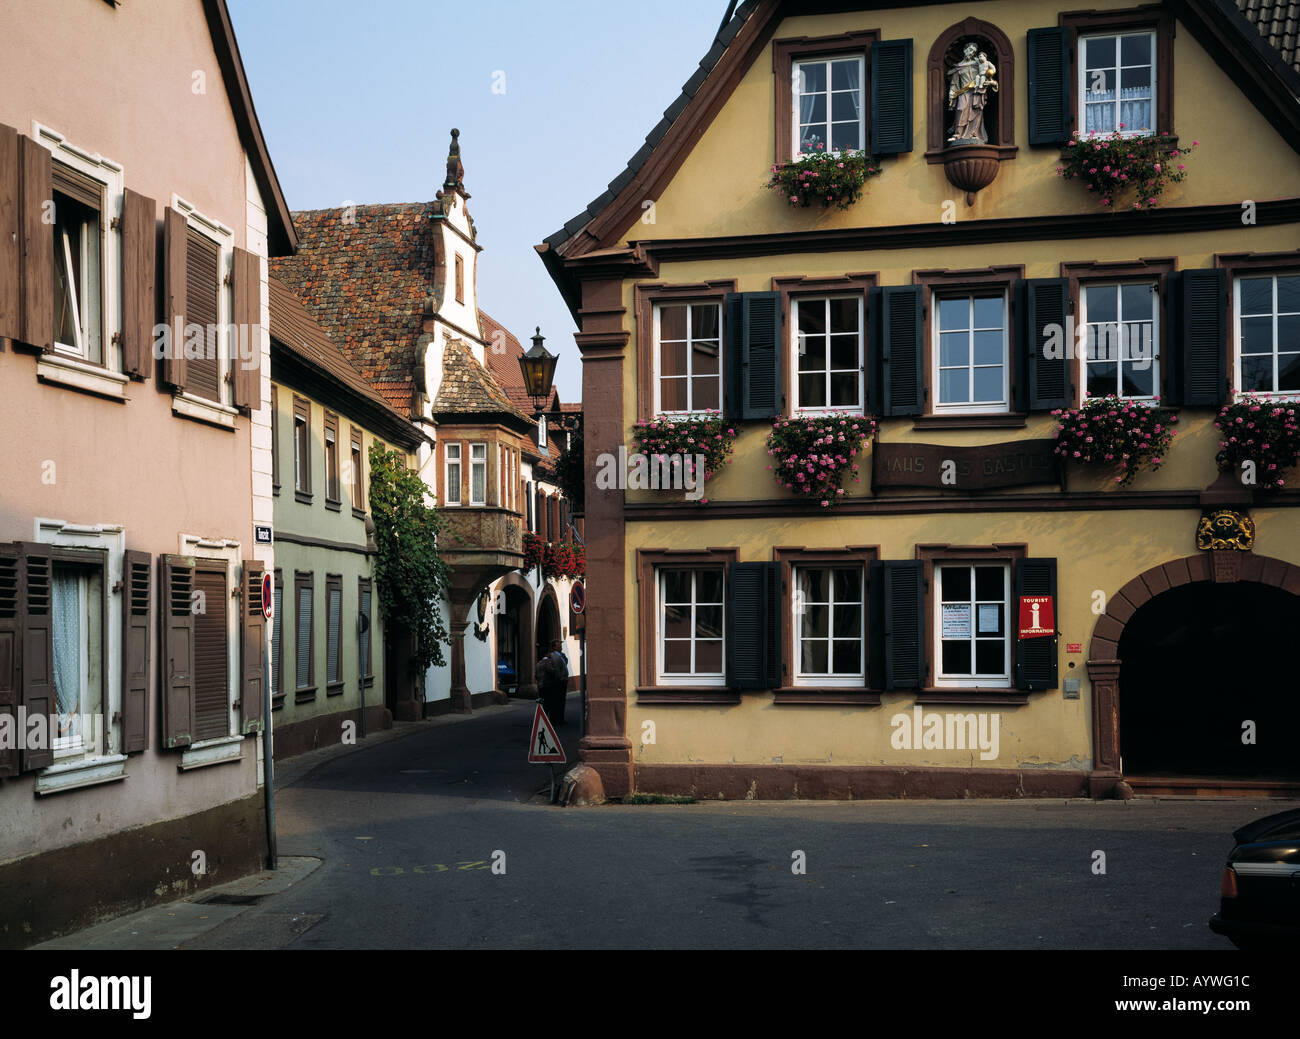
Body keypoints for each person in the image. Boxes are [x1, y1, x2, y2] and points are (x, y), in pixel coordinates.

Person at [542, 640, 569, 724]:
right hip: (559, 681)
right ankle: (556, 719)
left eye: (560, 645)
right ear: (554, 647)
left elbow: (564, 664)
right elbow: (556, 669)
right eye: (559, 645)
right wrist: (560, 678)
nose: (560, 646)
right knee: (557, 701)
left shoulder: (561, 655)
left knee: (561, 701)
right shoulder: (553, 656)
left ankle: (560, 718)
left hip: (563, 680)